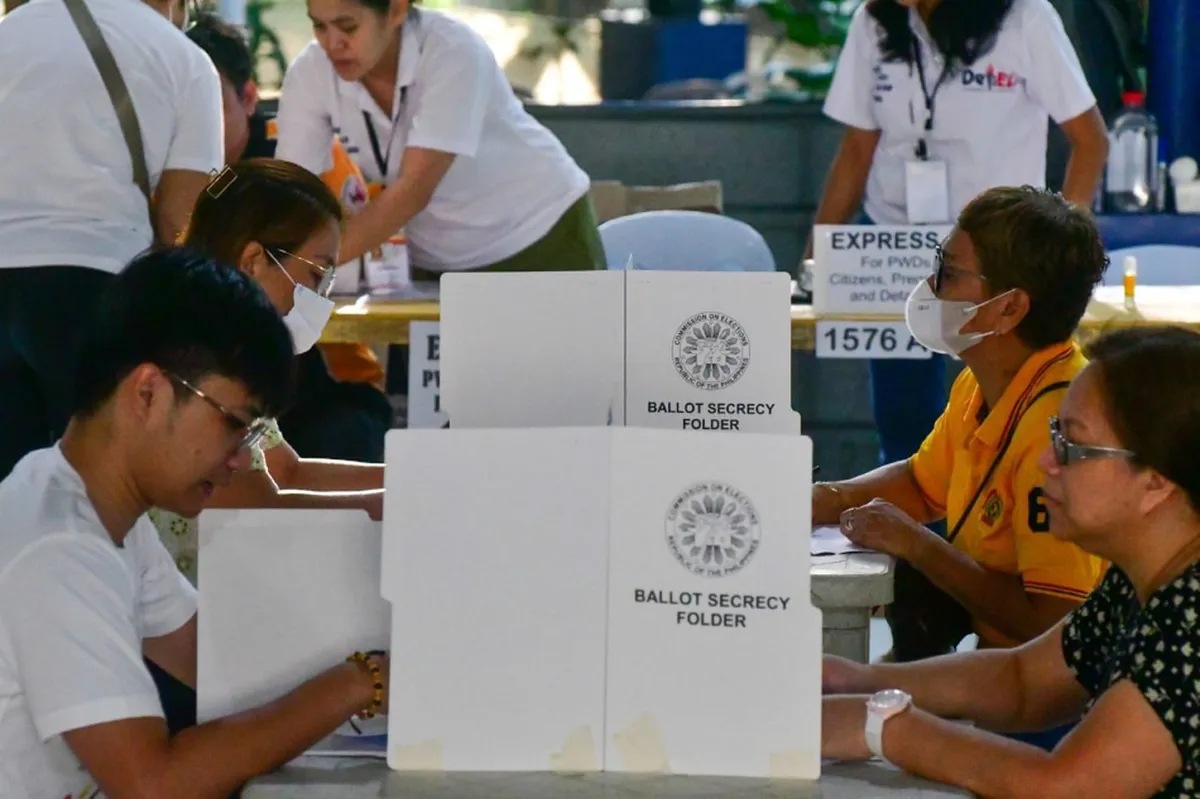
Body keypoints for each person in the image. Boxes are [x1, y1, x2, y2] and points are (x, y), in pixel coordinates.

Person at [0, 248, 389, 797]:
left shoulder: (98, 511)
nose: (238, 458)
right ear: (148, 392)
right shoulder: (59, 548)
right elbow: (153, 784)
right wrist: (360, 681)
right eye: (235, 423)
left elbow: (216, 661)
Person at [822, 325, 1200, 798]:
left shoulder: (1190, 614)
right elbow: (1022, 681)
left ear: (1156, 482)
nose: (1046, 461)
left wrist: (880, 725)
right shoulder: (1141, 578)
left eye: (1071, 445)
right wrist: (853, 679)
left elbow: (1067, 788)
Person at [813, 187, 1107, 669]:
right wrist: (824, 499)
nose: (930, 286)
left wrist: (918, 545)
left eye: (949, 273)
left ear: (1009, 309)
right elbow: (922, 484)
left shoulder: (1060, 431)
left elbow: (1054, 627)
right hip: (997, 668)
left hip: (1056, 701)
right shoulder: (982, 382)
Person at [809, 0, 1109, 470]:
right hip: (892, 242)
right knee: (905, 420)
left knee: (1009, 403)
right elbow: (856, 148)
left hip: (999, 251)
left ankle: (990, 527)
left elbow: (1090, 139)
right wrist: (819, 248)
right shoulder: (874, 21)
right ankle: (913, 535)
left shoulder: (1025, 17)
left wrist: (1062, 247)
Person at [0, 0, 223, 479]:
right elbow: (180, 223)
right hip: (94, 292)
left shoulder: (10, 34)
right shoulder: (183, 59)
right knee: (89, 495)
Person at [153, 158, 386, 587]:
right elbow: (259, 507)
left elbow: (287, 470)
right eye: (316, 275)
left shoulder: (233, 349)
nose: (319, 298)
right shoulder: (199, 358)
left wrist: (415, 477)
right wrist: (419, 500)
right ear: (253, 260)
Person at [188, 12, 395, 462]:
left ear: (247, 98)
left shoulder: (300, 160)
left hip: (322, 378)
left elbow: (343, 264)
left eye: (207, 109)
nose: (193, 126)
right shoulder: (173, 179)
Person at [274, 0, 604, 276]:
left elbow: (413, 191)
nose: (332, 43)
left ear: (396, 10)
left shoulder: (452, 50)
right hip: (431, 258)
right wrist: (273, 257)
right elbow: (291, 190)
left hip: (537, 234)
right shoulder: (310, 72)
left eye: (347, 27)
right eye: (319, 26)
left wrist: (300, 266)